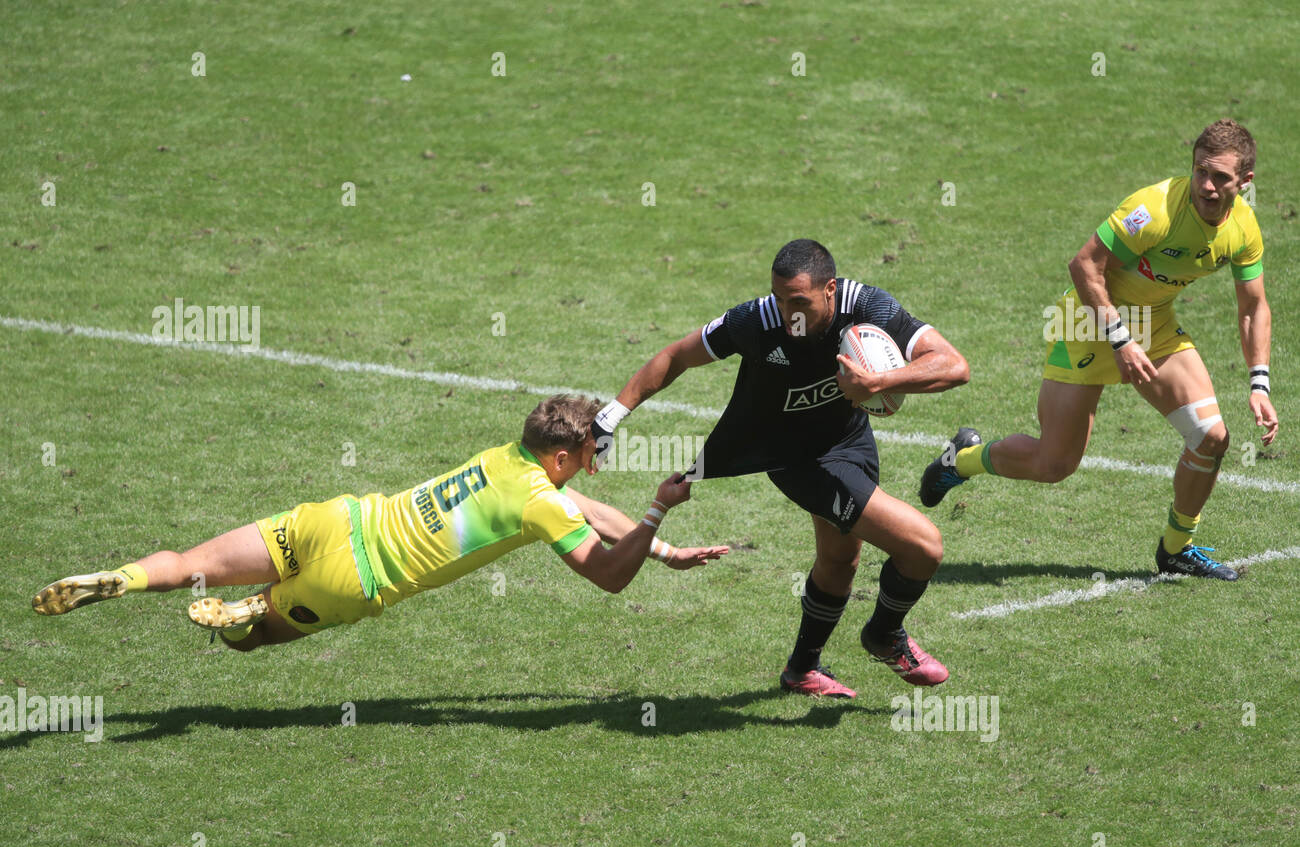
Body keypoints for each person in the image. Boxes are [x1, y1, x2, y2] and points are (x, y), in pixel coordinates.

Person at [32, 395, 728, 649]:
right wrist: (658, 508)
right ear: (558, 454)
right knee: (248, 643)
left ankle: (124, 577)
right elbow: (607, 576)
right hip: (351, 579)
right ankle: (254, 613)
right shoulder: (541, 501)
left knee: (188, 561)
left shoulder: (507, 459)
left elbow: (583, 508)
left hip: (333, 519)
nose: (590, 463)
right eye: (583, 455)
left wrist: (660, 550)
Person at [593, 239, 970, 699]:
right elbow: (676, 356)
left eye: (800, 302)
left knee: (840, 560)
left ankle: (801, 671)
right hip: (792, 457)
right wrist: (611, 416)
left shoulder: (869, 306)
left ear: (830, 289)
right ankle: (885, 635)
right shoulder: (755, 321)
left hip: (849, 440)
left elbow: (954, 366)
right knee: (924, 547)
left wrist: (880, 381)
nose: (788, 313)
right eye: (779, 298)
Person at [921, 119, 1277, 580]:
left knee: (1211, 438)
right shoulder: (1153, 211)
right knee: (1054, 465)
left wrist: (1259, 381)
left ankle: (1176, 547)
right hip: (1090, 324)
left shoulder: (1243, 228)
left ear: (1245, 183)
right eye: (1200, 171)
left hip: (1154, 325)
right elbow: (1085, 265)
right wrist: (1120, 339)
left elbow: (1253, 307)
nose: (1207, 186)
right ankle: (962, 459)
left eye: (1221, 178)